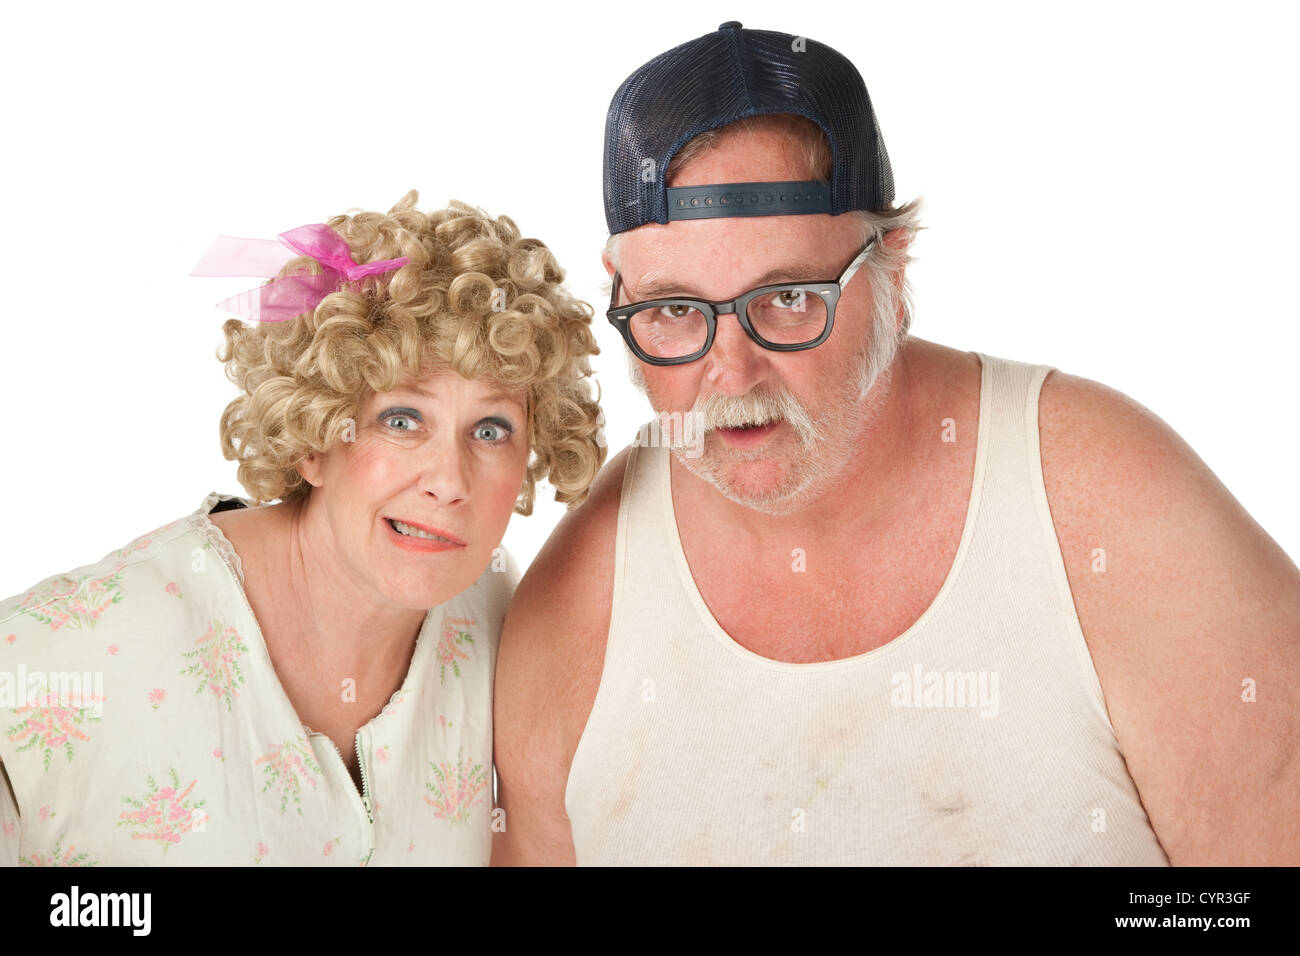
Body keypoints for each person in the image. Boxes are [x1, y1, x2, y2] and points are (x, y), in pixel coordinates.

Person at [492, 23, 1300, 865]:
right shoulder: (583, 595)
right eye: (672, 310)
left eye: (790, 299)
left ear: (893, 273)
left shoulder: (1103, 503)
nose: (731, 373)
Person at [0, 191, 604, 866]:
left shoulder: (493, 620)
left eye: (491, 430)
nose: (450, 480)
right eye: (402, 420)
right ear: (315, 438)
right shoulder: (74, 653)